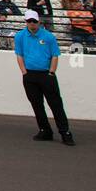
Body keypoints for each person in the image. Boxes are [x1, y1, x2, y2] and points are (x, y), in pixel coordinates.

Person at [14, 9, 74, 146]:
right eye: (29, 21)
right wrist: (24, 72)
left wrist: (51, 72)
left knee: (56, 104)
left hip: (46, 74)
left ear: (39, 22)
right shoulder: (20, 36)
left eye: (34, 21)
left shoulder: (48, 36)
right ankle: (45, 130)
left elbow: (55, 55)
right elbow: (19, 54)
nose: (32, 23)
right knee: (37, 104)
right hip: (30, 74)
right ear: (26, 22)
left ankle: (65, 132)